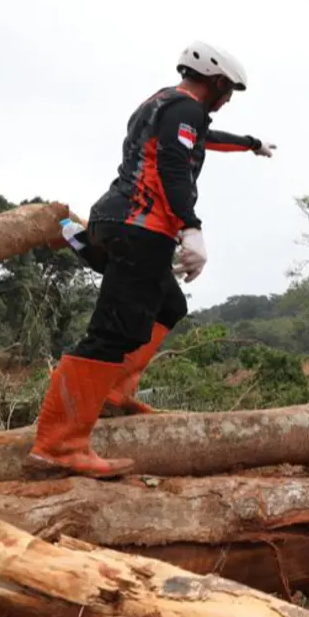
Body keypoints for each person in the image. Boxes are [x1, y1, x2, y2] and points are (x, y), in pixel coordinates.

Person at [27, 41, 276, 478]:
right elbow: (173, 166)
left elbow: (203, 139)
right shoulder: (188, 109)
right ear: (216, 81)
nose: (228, 99)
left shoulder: (162, 104)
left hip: (113, 218)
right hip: (141, 227)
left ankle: (112, 394)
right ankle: (60, 444)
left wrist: (250, 144)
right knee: (111, 334)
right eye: (229, 90)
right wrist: (191, 227)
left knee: (168, 306)